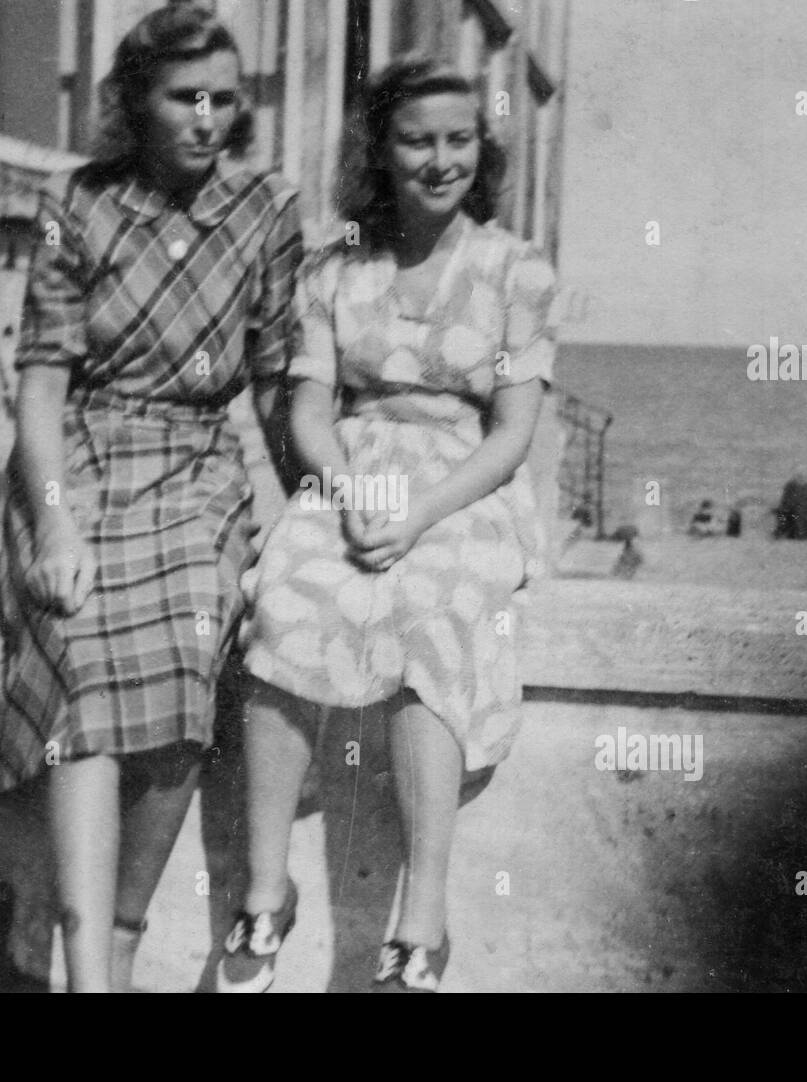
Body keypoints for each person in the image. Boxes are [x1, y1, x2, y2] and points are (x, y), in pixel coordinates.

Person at [0, 4, 302, 993]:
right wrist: (54, 514)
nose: (206, 118)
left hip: (198, 466)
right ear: (134, 101)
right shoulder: (79, 204)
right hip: (79, 452)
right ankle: (86, 967)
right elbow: (38, 382)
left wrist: (298, 503)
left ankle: (115, 933)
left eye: (223, 100)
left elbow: (277, 377)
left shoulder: (264, 212)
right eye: (183, 97)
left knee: (193, 644)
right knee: (79, 630)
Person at [217, 56, 557, 993]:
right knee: (284, 594)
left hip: (465, 486)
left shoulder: (515, 270)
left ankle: (424, 912)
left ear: (480, 149)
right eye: (416, 140)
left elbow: (514, 433)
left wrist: (418, 514)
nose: (439, 159)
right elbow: (309, 413)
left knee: (433, 608)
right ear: (383, 151)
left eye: (457, 139)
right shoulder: (336, 270)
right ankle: (264, 887)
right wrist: (353, 492)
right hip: (355, 470)